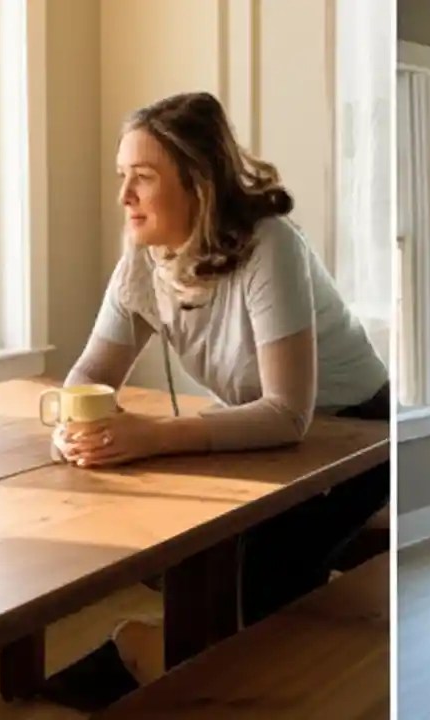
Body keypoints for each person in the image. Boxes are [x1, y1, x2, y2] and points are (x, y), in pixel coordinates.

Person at [39, 91, 390, 711]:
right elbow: (87, 378)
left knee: (263, 562)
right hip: (266, 436)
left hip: (359, 433)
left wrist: (150, 434)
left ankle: (149, 656)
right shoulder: (141, 266)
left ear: (198, 185)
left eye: (142, 178)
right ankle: (174, 665)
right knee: (205, 549)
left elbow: (288, 412)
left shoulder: (269, 245)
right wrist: (69, 428)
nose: (124, 196)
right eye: (122, 176)